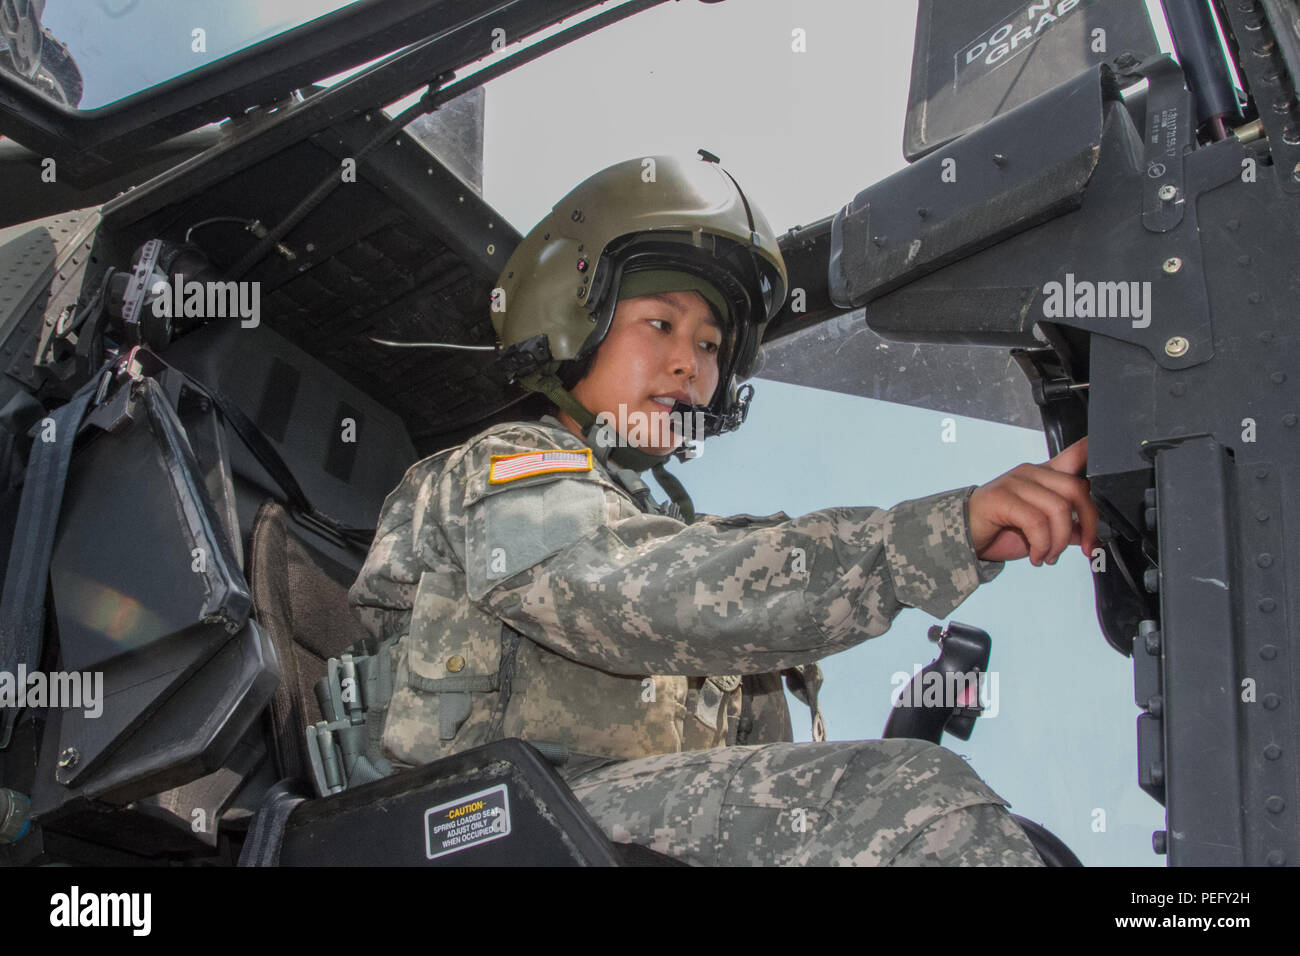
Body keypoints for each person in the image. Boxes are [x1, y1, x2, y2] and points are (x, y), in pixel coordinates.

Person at [349, 154, 1098, 865]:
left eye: (711, 345)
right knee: (912, 800)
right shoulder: (507, 466)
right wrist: (937, 536)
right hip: (468, 823)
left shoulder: (666, 530)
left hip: (583, 828)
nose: (690, 364)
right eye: (661, 325)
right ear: (575, 323)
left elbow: (755, 764)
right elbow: (645, 594)